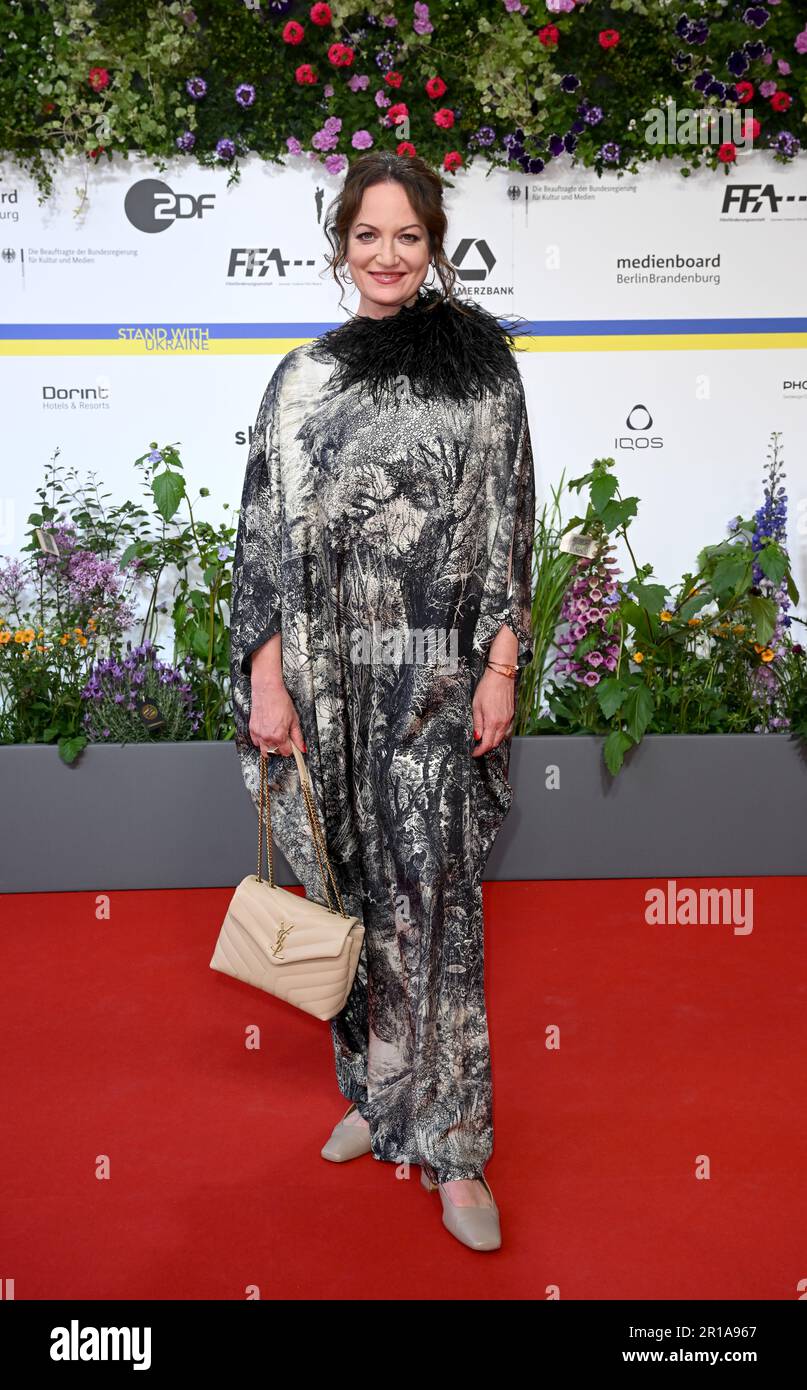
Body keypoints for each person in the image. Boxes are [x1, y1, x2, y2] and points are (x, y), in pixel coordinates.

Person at [229, 151, 535, 1252]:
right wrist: (268, 679)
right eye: (369, 236)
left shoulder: (481, 375)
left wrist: (500, 665)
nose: (388, 256)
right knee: (349, 883)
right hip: (328, 685)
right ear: (340, 245)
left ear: (435, 243)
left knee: (437, 902)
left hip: (438, 682)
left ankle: (454, 1144)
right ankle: (377, 1094)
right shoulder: (301, 381)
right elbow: (262, 541)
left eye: (408, 236)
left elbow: (508, 522)